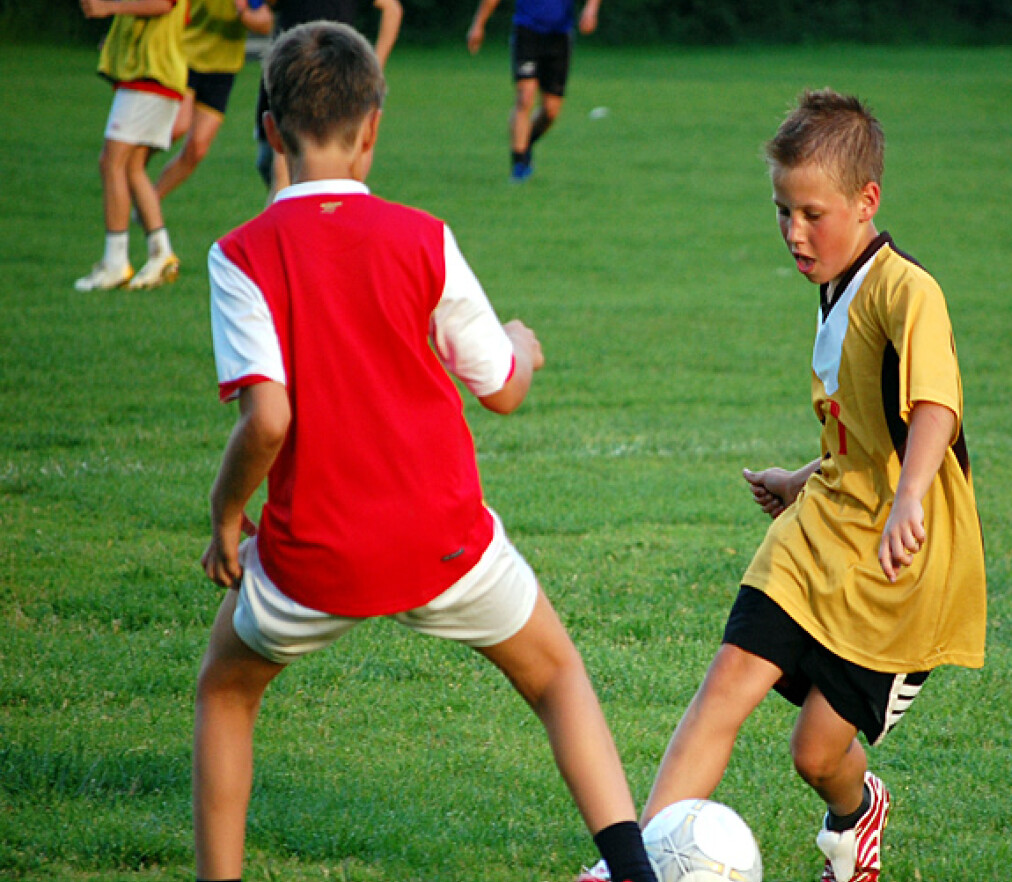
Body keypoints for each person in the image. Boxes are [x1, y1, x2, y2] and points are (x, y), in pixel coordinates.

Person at [193, 22, 656, 882]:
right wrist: (523, 343)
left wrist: (227, 518)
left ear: (268, 130)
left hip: (312, 557)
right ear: (373, 130)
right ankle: (633, 869)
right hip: (444, 541)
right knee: (555, 676)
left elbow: (266, 420)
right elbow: (504, 389)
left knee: (226, 690)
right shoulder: (422, 237)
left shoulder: (240, 257)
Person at [584, 89, 987, 882]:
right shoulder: (835, 286)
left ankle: (857, 809)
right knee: (726, 682)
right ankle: (633, 867)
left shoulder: (908, 290)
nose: (794, 234)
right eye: (781, 213)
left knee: (816, 753)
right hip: (821, 531)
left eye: (812, 214)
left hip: (901, 570)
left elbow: (934, 405)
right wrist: (801, 477)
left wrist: (909, 497)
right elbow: (862, 432)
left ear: (867, 202)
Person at [75, 0, 189, 292]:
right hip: (154, 76)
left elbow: (163, 4)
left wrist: (107, 7)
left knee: (111, 162)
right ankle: (160, 252)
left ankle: (114, 262)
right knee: (132, 168)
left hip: (151, 76)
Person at [251, 0, 402, 194]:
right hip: (289, 72)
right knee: (271, 164)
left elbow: (392, 9)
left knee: (285, 172)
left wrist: (374, 67)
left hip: (332, 77)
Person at [466, 0, 602, 182]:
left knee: (551, 110)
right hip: (527, 31)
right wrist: (478, 24)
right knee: (525, 97)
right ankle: (519, 163)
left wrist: (591, 9)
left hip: (559, 36)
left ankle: (525, 142)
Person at [154, 0, 274, 201]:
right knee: (178, 127)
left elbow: (266, 23)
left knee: (197, 149)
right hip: (186, 58)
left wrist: (243, 12)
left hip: (223, 70)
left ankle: (149, 201)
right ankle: (131, 169)